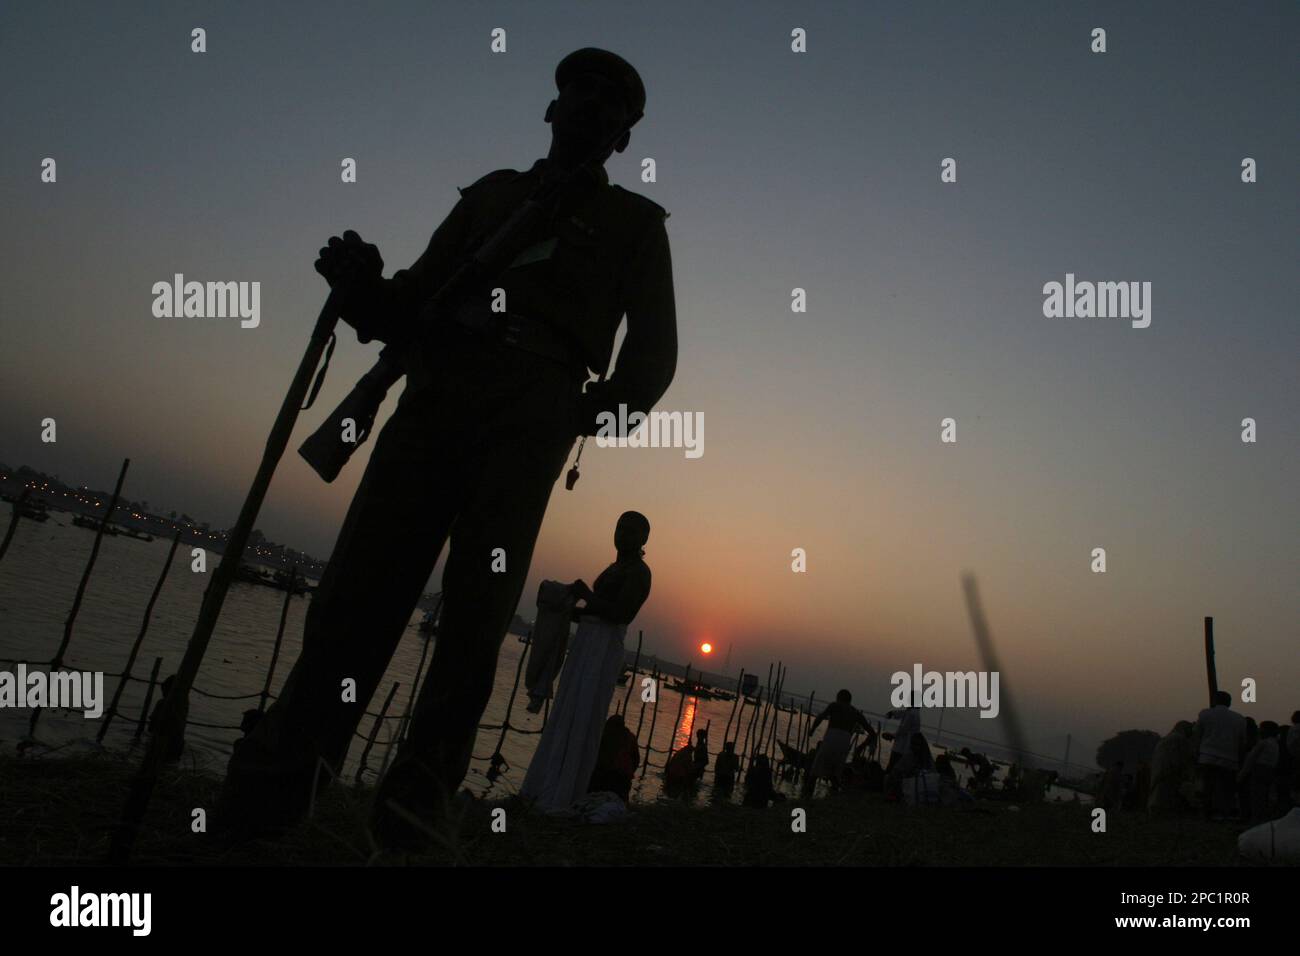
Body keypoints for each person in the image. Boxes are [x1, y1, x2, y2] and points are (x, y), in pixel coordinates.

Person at [218, 49, 676, 846]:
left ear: (624, 137)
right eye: (581, 91)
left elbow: (653, 356)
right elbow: (410, 300)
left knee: (473, 625)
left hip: (530, 419)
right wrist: (362, 286)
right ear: (552, 107)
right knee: (357, 597)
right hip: (434, 400)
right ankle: (275, 795)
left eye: (613, 105)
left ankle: (410, 817)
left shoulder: (635, 226)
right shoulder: (492, 197)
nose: (592, 107)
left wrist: (579, 414)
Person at [521, 511, 653, 811]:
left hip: (603, 650)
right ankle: (544, 786)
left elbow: (621, 614)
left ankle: (564, 793)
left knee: (584, 713)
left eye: (632, 530)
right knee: (567, 709)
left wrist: (584, 593)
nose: (623, 534)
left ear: (643, 539)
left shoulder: (640, 572)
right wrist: (566, 608)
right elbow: (597, 612)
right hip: (586, 646)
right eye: (620, 527)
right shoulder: (615, 567)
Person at [802, 689, 873, 798]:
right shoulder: (855, 712)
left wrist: (812, 730)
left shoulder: (834, 706)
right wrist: (861, 746)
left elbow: (820, 717)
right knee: (835, 773)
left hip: (831, 739)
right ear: (849, 701)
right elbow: (872, 733)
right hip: (845, 743)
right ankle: (833, 796)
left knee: (815, 772)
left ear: (839, 698)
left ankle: (806, 797)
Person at [1196, 690, 1247, 820]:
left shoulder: (1205, 714)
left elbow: (1198, 735)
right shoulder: (1239, 719)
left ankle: (1206, 812)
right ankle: (1223, 812)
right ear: (1229, 703)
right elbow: (1242, 742)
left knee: (1208, 787)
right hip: (1230, 759)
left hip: (1207, 756)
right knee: (1225, 789)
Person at [587, 713, 641, 803]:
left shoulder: (604, 735)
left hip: (608, 775)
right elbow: (636, 760)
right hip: (622, 777)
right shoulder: (630, 737)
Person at [1147, 720, 1196, 815]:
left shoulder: (1165, 740)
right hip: (1169, 772)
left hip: (1160, 771)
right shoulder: (1179, 739)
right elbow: (1183, 760)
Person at [1238, 721, 1280, 823]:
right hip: (1270, 771)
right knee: (1264, 796)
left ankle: (1255, 819)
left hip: (1259, 770)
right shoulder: (1275, 744)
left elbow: (1250, 760)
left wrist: (1241, 775)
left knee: (1256, 796)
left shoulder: (1263, 743)